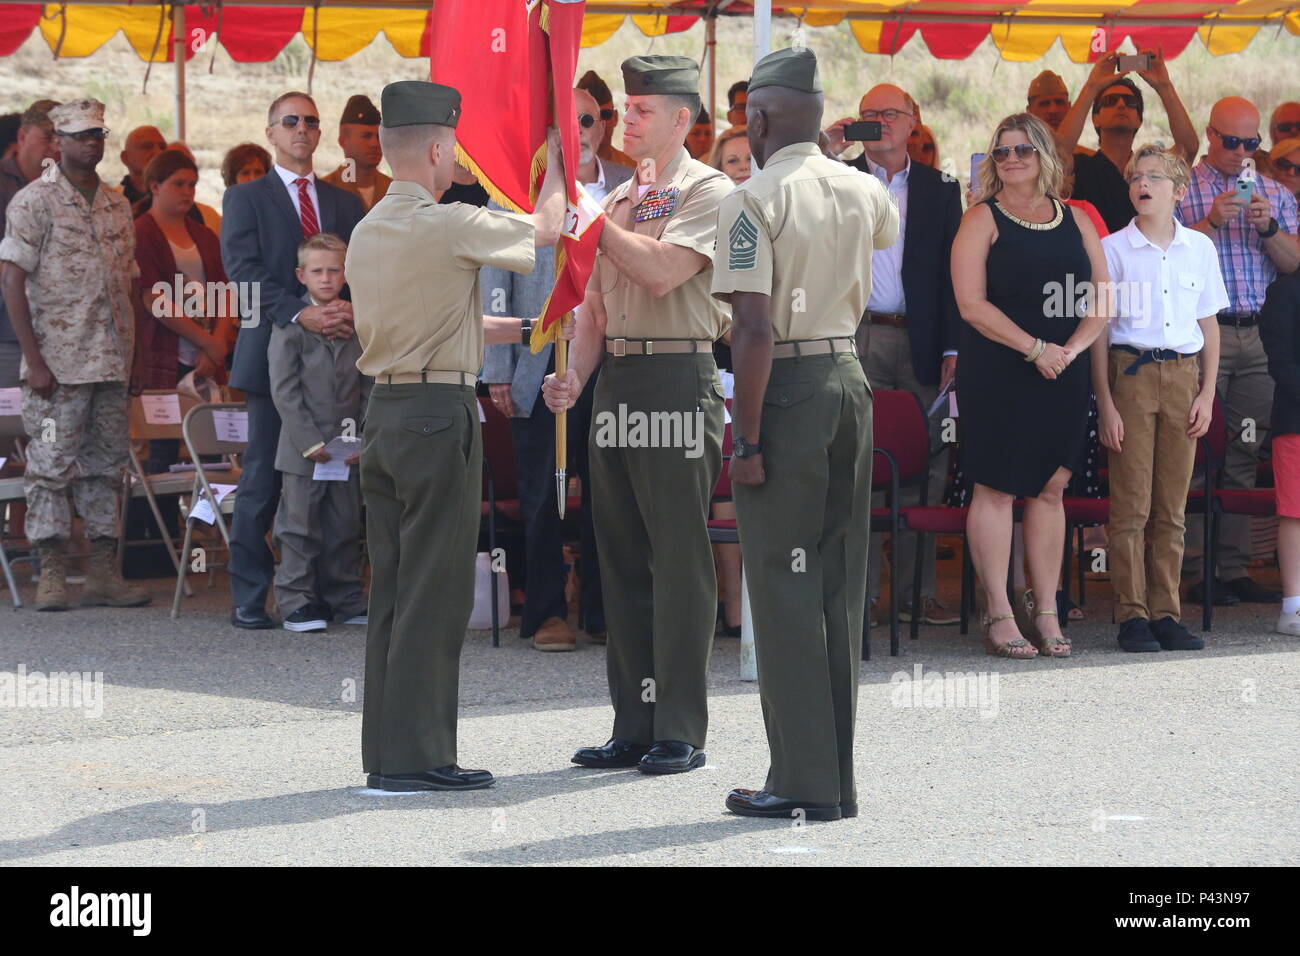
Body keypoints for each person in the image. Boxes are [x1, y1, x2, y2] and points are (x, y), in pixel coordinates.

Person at [349, 80, 563, 792]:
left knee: (396, 585)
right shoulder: (446, 223)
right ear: (440, 147)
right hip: (438, 416)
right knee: (435, 590)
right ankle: (419, 755)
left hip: (385, 411)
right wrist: (552, 160)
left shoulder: (370, 227)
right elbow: (546, 230)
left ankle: (387, 749)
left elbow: (447, 314)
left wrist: (529, 329)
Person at [712, 48, 897, 821]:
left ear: (756, 119)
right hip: (851, 383)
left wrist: (746, 441)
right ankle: (835, 779)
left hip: (782, 389)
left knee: (783, 593)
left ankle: (800, 780)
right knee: (836, 586)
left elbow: (751, 328)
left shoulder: (749, 199)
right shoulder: (862, 187)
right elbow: (879, 236)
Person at [542, 55, 732, 776]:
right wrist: (576, 378)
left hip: (677, 377)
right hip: (619, 378)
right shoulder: (620, 196)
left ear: (683, 119)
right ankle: (635, 721)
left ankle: (680, 725)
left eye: (643, 108)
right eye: (626, 105)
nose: (629, 117)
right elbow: (593, 305)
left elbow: (659, 270)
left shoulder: (709, 190)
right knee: (618, 556)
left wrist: (591, 219)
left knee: (679, 558)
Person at [951, 113, 1110, 658]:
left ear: (1046, 155)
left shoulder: (1077, 218)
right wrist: (1034, 348)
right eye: (1001, 151)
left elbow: (1103, 297)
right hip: (998, 369)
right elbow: (971, 304)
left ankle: (1046, 609)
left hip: (1063, 371)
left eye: (1023, 149)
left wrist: (1071, 350)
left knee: (1051, 488)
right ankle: (998, 611)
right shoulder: (981, 217)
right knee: (995, 487)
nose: (1012, 158)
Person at [481, 86, 629, 653]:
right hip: (539, 356)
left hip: (612, 358)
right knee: (545, 489)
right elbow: (494, 276)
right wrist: (498, 365)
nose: (578, 129)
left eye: (588, 118)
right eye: (565, 120)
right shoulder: (514, 189)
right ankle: (546, 610)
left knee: (609, 491)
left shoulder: (629, 184)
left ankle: (600, 607)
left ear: (604, 123)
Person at [222, 91, 365, 630]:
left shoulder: (346, 202)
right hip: (272, 357)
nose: (301, 129)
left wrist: (345, 311)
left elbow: (360, 272)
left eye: (310, 121)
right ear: (271, 132)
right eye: (290, 121)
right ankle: (251, 595)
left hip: (340, 362)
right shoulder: (246, 198)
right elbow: (242, 273)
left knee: (336, 478)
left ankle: (327, 594)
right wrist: (298, 313)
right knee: (263, 478)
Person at [0, 99, 150, 611]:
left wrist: (132, 360)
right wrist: (34, 360)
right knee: (49, 466)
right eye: (80, 134)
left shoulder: (117, 203)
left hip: (110, 361)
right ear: (57, 141)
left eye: (98, 133)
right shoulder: (34, 201)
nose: (91, 142)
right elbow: (12, 281)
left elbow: (129, 287)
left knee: (108, 468)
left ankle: (104, 573)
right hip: (57, 366)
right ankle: (51, 574)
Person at [824, 84, 964, 628]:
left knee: (926, 461)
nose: (880, 122)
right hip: (858, 335)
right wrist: (826, 146)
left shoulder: (940, 188)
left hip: (924, 339)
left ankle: (916, 593)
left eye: (890, 114)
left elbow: (956, 275)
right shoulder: (836, 178)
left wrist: (954, 345)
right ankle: (858, 597)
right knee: (857, 459)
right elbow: (776, 184)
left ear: (914, 123)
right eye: (869, 115)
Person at [1093, 144, 1228, 652]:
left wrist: (1207, 393)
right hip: (1130, 373)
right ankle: (1132, 614)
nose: (1141, 185)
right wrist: (1104, 400)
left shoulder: (1200, 249)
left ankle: (1166, 611)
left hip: (1183, 376)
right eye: (1135, 178)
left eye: (1153, 177)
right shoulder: (1113, 249)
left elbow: (1208, 324)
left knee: (1172, 506)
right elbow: (1100, 331)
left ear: (1179, 190)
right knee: (1130, 504)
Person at [1178, 96, 1299, 607]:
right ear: (1209, 135)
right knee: (1197, 450)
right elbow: (1161, 256)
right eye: (1232, 141)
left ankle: (1233, 567)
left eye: (1252, 143)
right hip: (1204, 334)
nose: (1241, 151)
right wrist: (1209, 223)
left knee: (1246, 451)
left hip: (1259, 334)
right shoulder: (1181, 188)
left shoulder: (1273, 191)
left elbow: (1293, 264)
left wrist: (1267, 226)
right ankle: (1191, 570)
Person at [267, 233, 370, 633]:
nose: (326, 278)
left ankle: (344, 598)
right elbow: (284, 390)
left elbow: (369, 384)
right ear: (301, 275)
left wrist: (361, 435)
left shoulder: (359, 323)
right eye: (317, 271)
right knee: (299, 525)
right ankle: (295, 600)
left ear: (345, 273)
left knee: (344, 523)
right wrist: (308, 441)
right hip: (302, 449)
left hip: (346, 449)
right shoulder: (291, 328)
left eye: (333, 270)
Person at [132, 149, 233, 474]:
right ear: (155, 186)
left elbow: (225, 292)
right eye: (178, 184)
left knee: (213, 449)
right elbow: (153, 299)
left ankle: (204, 524)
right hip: (162, 356)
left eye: (192, 184)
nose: (188, 192)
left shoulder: (204, 235)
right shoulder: (141, 232)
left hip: (205, 357)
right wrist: (208, 342)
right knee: (162, 451)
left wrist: (216, 346)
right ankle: (159, 525)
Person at [1056, 50, 1198, 233]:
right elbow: (1057, 152)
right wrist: (1092, 87)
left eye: (1130, 102)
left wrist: (1164, 86)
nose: (1121, 104)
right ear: (1095, 118)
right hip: (1096, 260)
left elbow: (1188, 148)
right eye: (1110, 100)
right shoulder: (1081, 167)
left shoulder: (1153, 168)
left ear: (1139, 119)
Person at [1, 100, 59, 392]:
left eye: (62, 138)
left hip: (57, 334)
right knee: (6, 426)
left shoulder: (68, 191)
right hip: (6, 333)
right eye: (48, 137)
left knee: (51, 429)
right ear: (22, 137)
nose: (55, 146)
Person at [1259, 274, 1300, 636]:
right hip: (1296, 419)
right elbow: (1281, 361)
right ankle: (1293, 607)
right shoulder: (1285, 291)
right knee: (1295, 512)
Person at [322, 94, 391, 212]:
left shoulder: (393, 189)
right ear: (343, 141)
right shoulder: (324, 191)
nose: (375, 144)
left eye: (379, 136)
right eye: (366, 136)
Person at [577, 69, 635, 169]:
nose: (599, 123)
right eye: (588, 119)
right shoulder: (562, 169)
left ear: (615, 117)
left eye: (605, 115)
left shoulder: (633, 168)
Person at [117, 125, 167, 206]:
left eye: (163, 147)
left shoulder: (180, 201)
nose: (158, 153)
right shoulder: (111, 202)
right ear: (125, 158)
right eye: (147, 147)